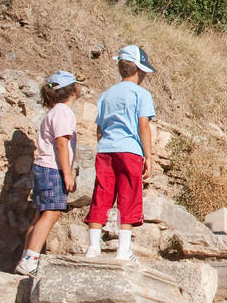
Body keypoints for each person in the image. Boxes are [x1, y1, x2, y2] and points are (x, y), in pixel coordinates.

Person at [85, 46, 156, 262]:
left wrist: (105, 143)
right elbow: (143, 125)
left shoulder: (107, 95)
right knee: (129, 195)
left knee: (102, 194)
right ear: (139, 70)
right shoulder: (141, 94)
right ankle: (123, 250)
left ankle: (92, 247)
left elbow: (99, 128)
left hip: (106, 149)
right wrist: (148, 155)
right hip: (130, 150)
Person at [16, 71, 82, 275]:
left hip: (43, 167)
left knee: (40, 214)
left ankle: (27, 257)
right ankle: (30, 259)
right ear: (73, 90)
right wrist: (67, 173)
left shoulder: (54, 111)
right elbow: (62, 144)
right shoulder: (63, 112)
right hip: (53, 168)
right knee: (51, 213)